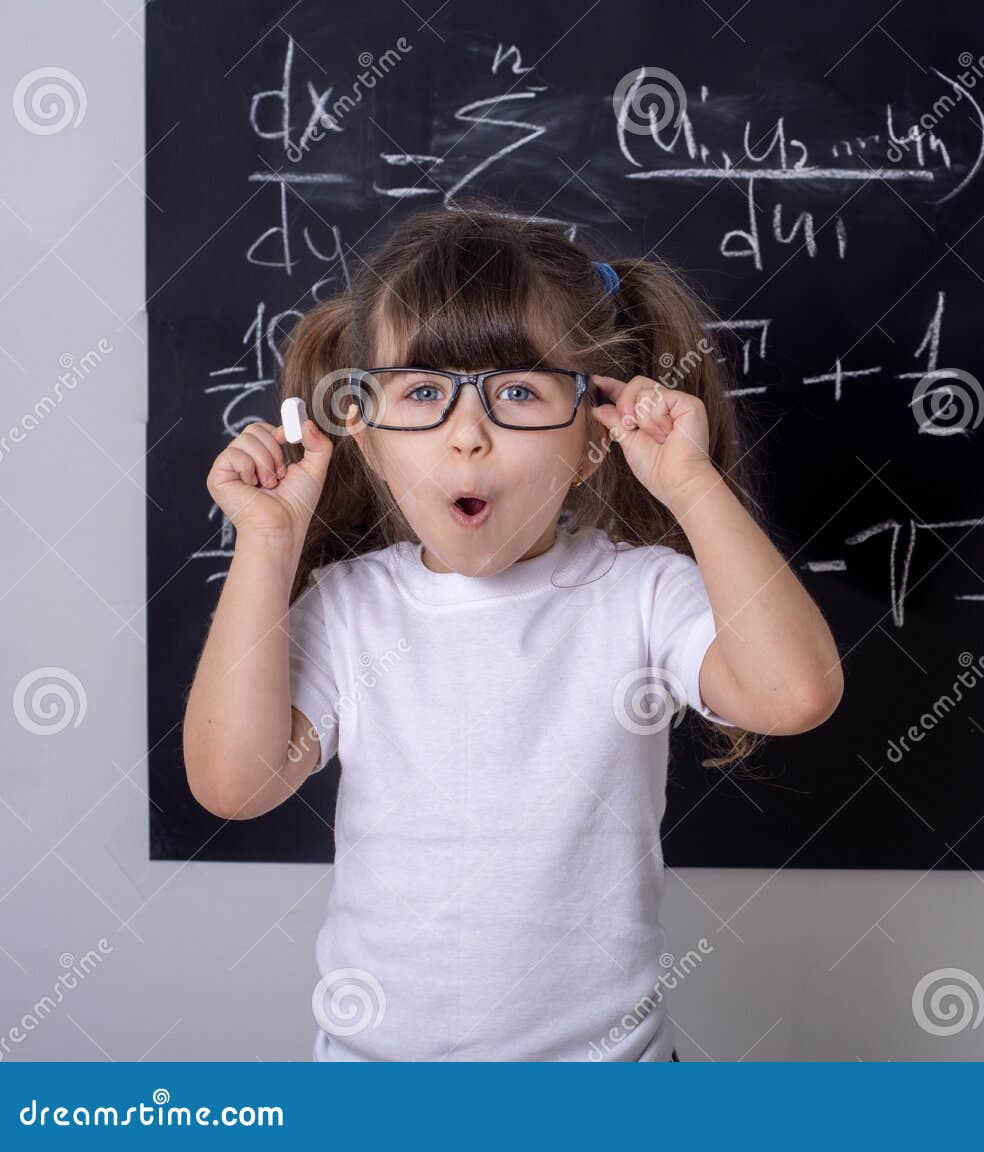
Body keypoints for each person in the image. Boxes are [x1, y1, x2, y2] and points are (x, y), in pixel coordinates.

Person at [182, 200, 842, 1061]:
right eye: (421, 391)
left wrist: (691, 485)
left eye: (520, 392)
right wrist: (269, 542)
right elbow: (234, 786)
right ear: (367, 436)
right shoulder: (350, 611)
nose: (468, 436)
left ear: (595, 435)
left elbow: (795, 694)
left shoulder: (638, 594)